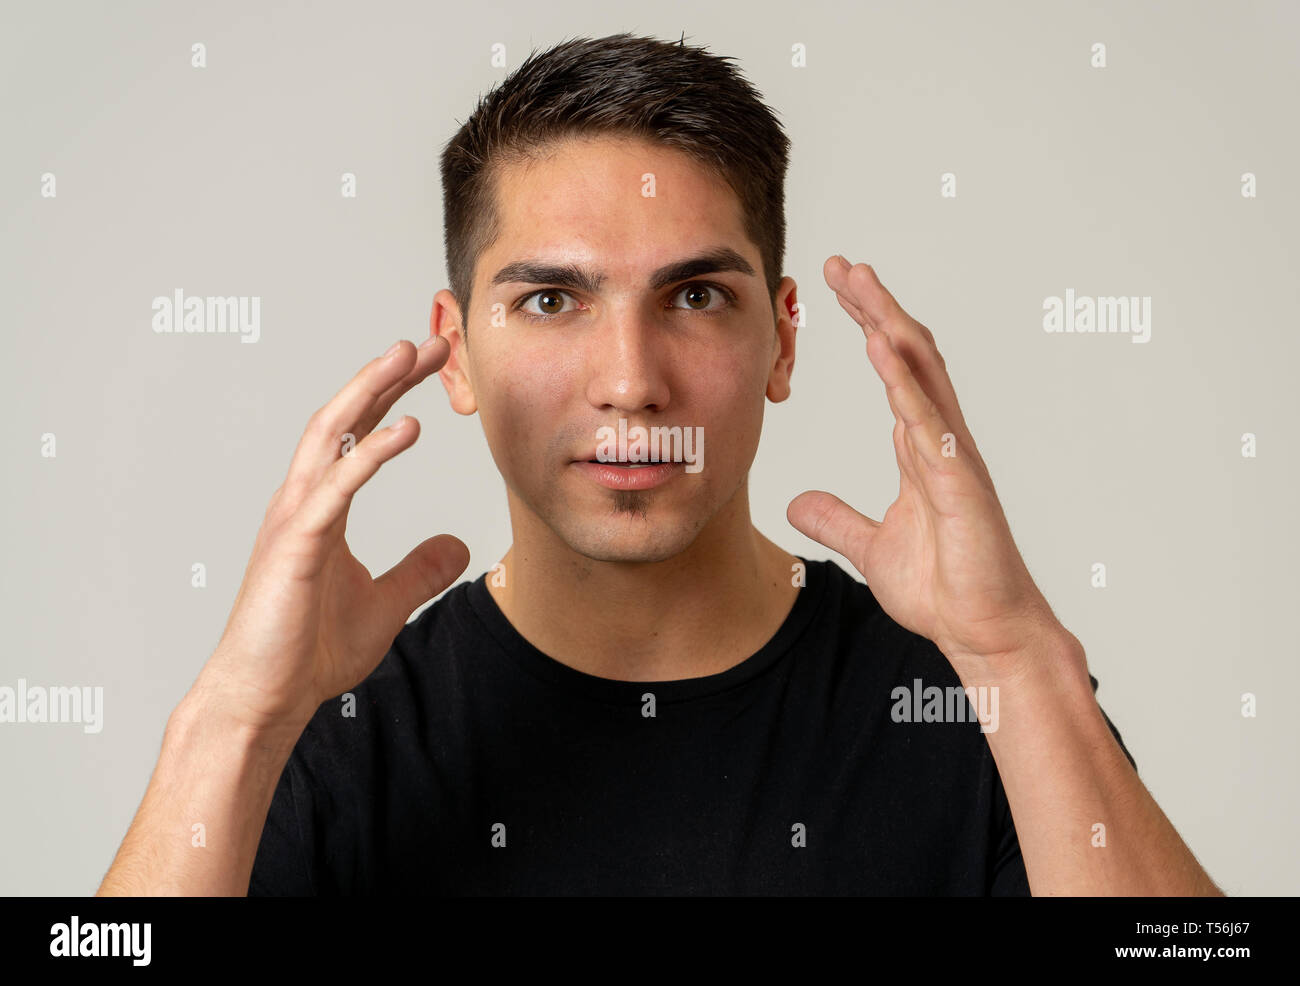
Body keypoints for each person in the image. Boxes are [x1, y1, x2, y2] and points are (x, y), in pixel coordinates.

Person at [97, 32, 1222, 896]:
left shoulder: (968, 698)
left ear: (783, 337)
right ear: (458, 350)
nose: (629, 378)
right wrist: (235, 715)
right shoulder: (323, 728)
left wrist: (1016, 656)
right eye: (550, 299)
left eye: (694, 295)